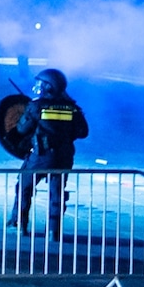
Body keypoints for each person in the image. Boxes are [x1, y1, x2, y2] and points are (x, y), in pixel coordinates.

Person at [9, 69, 89, 242]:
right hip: (64, 157)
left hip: (40, 156)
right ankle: (54, 231)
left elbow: (22, 129)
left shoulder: (37, 106)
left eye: (41, 83)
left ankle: (19, 223)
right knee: (57, 193)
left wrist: (26, 113)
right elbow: (83, 132)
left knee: (24, 186)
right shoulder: (72, 108)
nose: (38, 86)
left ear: (49, 86)